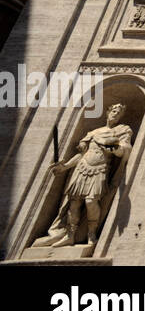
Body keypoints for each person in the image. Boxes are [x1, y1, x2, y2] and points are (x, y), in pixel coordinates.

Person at [32, 102, 133, 248]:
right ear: (108, 112)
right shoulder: (93, 133)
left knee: (91, 201)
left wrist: (115, 149)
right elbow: (81, 155)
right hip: (82, 168)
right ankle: (70, 235)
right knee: (74, 203)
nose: (115, 114)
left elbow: (124, 150)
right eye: (114, 111)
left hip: (100, 169)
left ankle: (91, 233)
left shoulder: (123, 130)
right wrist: (65, 167)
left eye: (119, 113)